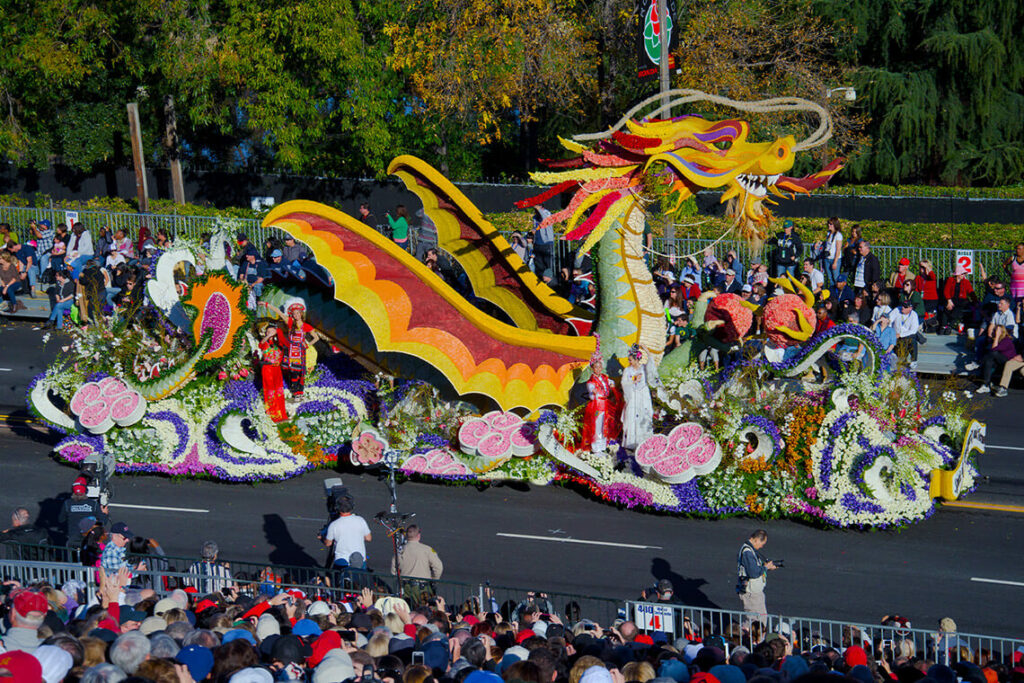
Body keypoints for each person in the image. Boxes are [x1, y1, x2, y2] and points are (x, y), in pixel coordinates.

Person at [260, 297, 321, 398]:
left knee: (299, 371)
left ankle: (299, 391)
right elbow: (279, 312)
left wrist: (307, 345)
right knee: (292, 371)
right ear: (292, 315)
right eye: (294, 313)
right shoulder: (290, 323)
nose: (296, 315)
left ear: (301, 314)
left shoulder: (306, 326)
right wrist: (267, 305)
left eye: (298, 313)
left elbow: (316, 338)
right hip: (290, 350)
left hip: (300, 351)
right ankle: (294, 390)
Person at [580, 341, 621, 454]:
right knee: (597, 425)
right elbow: (592, 391)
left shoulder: (604, 377)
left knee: (605, 424)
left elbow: (609, 383)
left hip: (605, 404)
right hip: (597, 405)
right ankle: (596, 447)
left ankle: (603, 445)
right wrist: (594, 390)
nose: (598, 369)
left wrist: (611, 385)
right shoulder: (591, 381)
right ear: (592, 368)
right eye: (596, 367)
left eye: (600, 366)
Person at [736, 530, 777, 623]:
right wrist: (766, 567)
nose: (762, 546)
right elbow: (753, 573)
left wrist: (766, 567)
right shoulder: (747, 552)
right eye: (762, 543)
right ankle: (741, 635)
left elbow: (755, 568)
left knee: (760, 621)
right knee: (756, 622)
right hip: (751, 593)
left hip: (755, 592)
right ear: (756, 540)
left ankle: (746, 634)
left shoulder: (750, 550)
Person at [620, 344, 654, 451]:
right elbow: (624, 383)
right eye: (629, 360)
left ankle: (644, 441)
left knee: (644, 416)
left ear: (636, 359)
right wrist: (633, 381)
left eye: (631, 360)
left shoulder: (644, 368)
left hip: (643, 396)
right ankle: (631, 443)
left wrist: (646, 349)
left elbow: (651, 363)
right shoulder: (627, 370)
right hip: (632, 395)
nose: (629, 362)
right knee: (631, 417)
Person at [323, 496, 371, 571]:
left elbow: (328, 543)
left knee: (338, 580)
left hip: (341, 560)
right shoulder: (360, 520)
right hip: (359, 559)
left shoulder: (334, 524)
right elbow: (368, 538)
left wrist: (322, 538)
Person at [58, 477, 107, 544]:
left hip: (73, 539)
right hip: (88, 540)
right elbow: (103, 522)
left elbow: (61, 520)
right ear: (86, 491)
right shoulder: (93, 504)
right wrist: (104, 513)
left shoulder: (67, 503)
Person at [973, 325, 1016, 395]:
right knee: (988, 362)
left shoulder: (1006, 339)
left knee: (993, 353)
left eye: (997, 331)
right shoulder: (994, 340)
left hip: (1008, 360)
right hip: (998, 359)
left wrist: (996, 337)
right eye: (995, 330)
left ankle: (978, 363)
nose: (995, 332)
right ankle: (986, 384)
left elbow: (994, 349)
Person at [258, 326, 289, 422]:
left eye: (271, 331)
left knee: (279, 391)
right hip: (268, 368)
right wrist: (268, 336)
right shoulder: (265, 343)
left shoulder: (277, 344)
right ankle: (273, 415)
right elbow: (261, 344)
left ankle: (282, 414)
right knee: (270, 391)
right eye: (268, 331)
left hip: (277, 369)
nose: (270, 332)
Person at [940, 263, 975, 333]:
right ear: (958, 274)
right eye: (962, 274)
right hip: (951, 299)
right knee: (947, 307)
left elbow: (971, 291)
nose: (964, 275)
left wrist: (975, 301)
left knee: (959, 308)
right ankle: (944, 326)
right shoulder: (950, 280)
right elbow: (946, 291)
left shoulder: (966, 282)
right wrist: (949, 301)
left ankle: (950, 325)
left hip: (961, 300)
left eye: (964, 274)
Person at [889, 299, 920, 369]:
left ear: (910, 308)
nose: (903, 307)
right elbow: (889, 320)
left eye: (905, 307)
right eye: (903, 305)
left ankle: (914, 360)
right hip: (895, 336)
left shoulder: (914, 315)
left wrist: (900, 335)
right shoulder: (897, 310)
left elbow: (913, 330)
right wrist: (891, 332)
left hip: (906, 337)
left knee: (913, 340)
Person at [531, 207, 554, 282]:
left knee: (548, 264)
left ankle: (550, 282)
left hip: (547, 242)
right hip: (537, 243)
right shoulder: (535, 218)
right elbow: (536, 227)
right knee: (539, 264)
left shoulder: (547, 213)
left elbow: (544, 218)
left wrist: (537, 207)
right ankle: (541, 281)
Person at [823, 217, 843, 285]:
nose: (829, 225)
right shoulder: (828, 234)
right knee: (829, 278)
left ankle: (838, 293)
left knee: (836, 278)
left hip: (834, 259)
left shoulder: (838, 235)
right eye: (828, 223)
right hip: (827, 259)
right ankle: (832, 292)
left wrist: (835, 262)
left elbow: (838, 249)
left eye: (831, 224)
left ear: (835, 225)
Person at [1004, 242, 1024, 309]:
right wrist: (1009, 274)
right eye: (1017, 249)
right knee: (1014, 302)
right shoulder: (1013, 258)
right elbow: (1004, 265)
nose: (1017, 250)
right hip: (1014, 286)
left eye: (1019, 249)